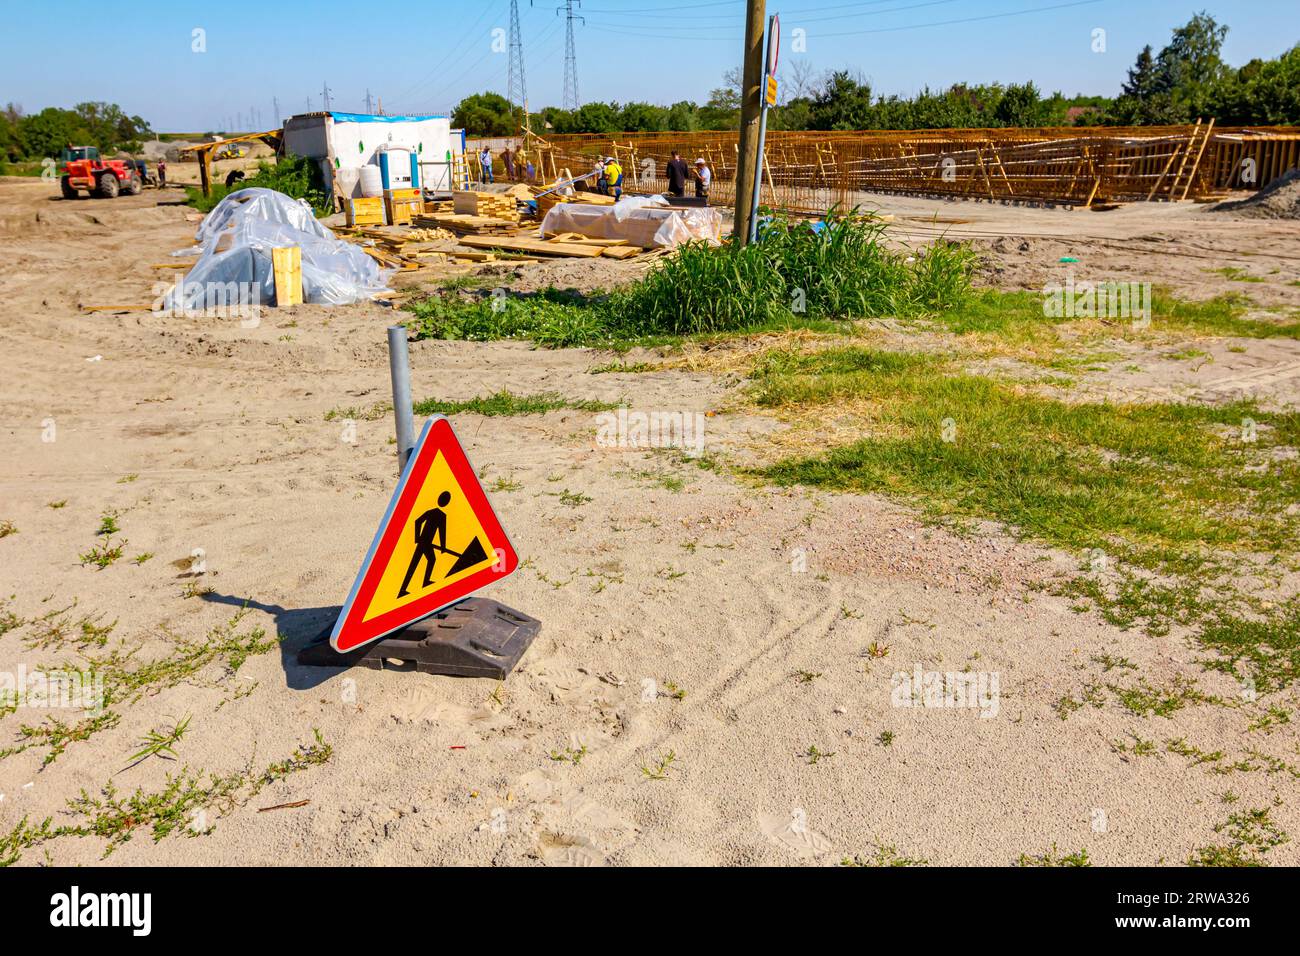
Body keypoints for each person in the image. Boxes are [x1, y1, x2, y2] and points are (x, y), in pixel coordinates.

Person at [397, 490, 452, 598]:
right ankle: (422, 582)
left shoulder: (430, 512)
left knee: (416, 563)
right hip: (426, 543)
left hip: (423, 541)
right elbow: (442, 532)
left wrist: (417, 537)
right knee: (427, 561)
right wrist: (443, 547)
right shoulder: (441, 515)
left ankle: (406, 588)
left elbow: (418, 522)